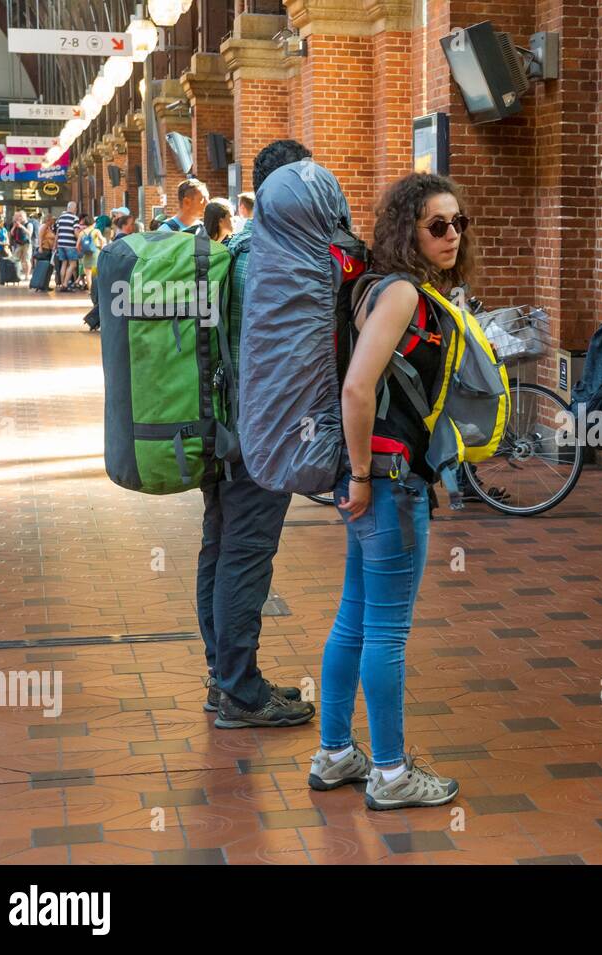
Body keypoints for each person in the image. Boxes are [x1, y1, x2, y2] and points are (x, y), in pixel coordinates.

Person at [307, 171, 467, 810]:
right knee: (387, 631)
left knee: (355, 615)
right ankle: (392, 773)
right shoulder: (399, 293)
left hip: (382, 476)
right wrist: (363, 477)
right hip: (388, 482)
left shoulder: (376, 285)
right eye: (437, 225)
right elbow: (357, 387)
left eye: (458, 223)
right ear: (409, 230)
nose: (452, 235)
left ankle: (337, 753)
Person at [201, 139, 316, 730]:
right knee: (245, 554)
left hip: (217, 427)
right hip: (260, 435)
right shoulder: (279, 254)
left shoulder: (234, 246)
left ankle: (223, 677)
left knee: (219, 546)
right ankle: (242, 692)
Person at [77, 215, 109, 291]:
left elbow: (77, 246)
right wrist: (101, 248)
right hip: (95, 254)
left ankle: (91, 291)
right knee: (95, 274)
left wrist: (81, 253)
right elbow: (103, 240)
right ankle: (96, 290)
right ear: (93, 223)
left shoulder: (82, 233)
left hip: (86, 255)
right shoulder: (96, 231)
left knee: (88, 274)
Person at [54, 202, 81, 290]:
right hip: (71, 245)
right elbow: (76, 231)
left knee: (64, 264)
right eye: (76, 208)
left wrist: (56, 244)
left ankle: (62, 284)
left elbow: (57, 232)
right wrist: (80, 240)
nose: (76, 210)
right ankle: (65, 284)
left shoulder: (60, 218)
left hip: (61, 244)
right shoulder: (75, 218)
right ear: (73, 208)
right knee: (73, 265)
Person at [10, 212, 32, 281]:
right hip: (19, 244)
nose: (19, 218)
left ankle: (27, 276)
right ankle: (16, 274)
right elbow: (11, 233)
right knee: (15, 258)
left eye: (21, 216)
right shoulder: (16, 224)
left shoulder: (29, 224)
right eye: (19, 216)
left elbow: (29, 233)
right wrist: (14, 226)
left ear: (25, 217)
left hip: (27, 244)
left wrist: (21, 227)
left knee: (26, 259)